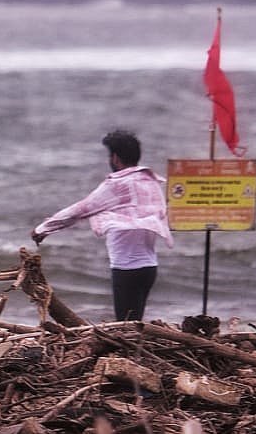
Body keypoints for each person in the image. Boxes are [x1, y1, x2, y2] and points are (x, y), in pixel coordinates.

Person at [32, 129, 172, 321]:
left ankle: (129, 351)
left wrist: (43, 229)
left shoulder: (117, 184)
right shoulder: (151, 181)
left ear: (115, 158)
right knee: (134, 322)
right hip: (149, 267)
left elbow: (81, 209)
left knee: (125, 325)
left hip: (126, 269)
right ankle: (133, 349)